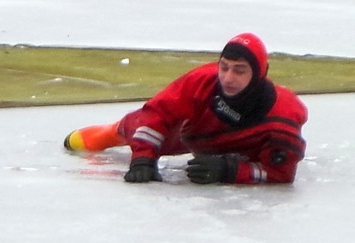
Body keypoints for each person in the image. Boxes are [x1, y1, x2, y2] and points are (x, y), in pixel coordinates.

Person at [63, 33, 307, 185]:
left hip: (242, 147)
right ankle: (107, 132)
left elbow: (280, 174)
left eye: (239, 70)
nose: (228, 77)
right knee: (134, 127)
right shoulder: (202, 80)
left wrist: (230, 171)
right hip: (193, 133)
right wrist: (143, 160)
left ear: (260, 73)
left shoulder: (282, 117)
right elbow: (157, 113)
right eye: (223, 67)